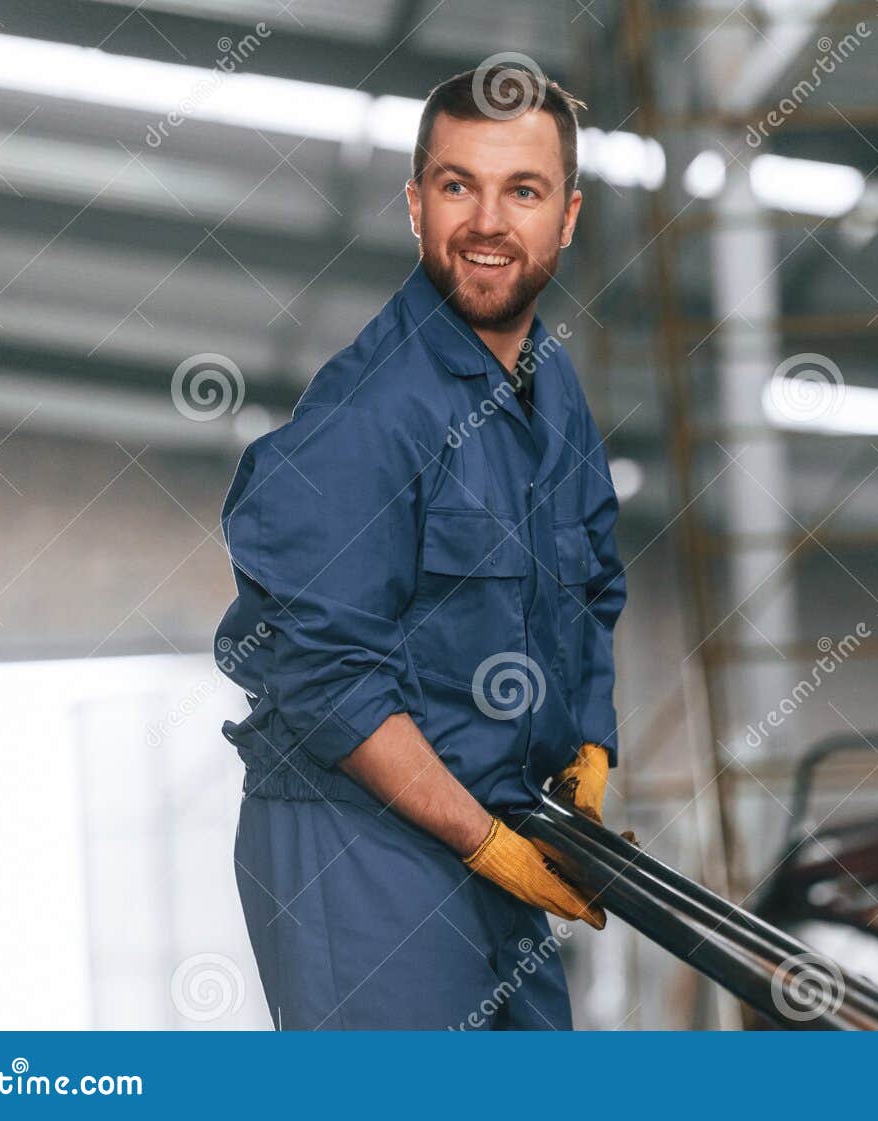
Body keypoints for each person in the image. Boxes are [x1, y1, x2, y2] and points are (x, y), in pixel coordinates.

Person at [212, 63, 625, 1030]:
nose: (486, 222)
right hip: (356, 842)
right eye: (456, 186)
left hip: (497, 825)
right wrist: (482, 841)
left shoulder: (550, 389)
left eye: (521, 190)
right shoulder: (370, 412)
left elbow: (591, 578)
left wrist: (591, 743)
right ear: (414, 204)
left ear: (567, 217)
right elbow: (316, 669)